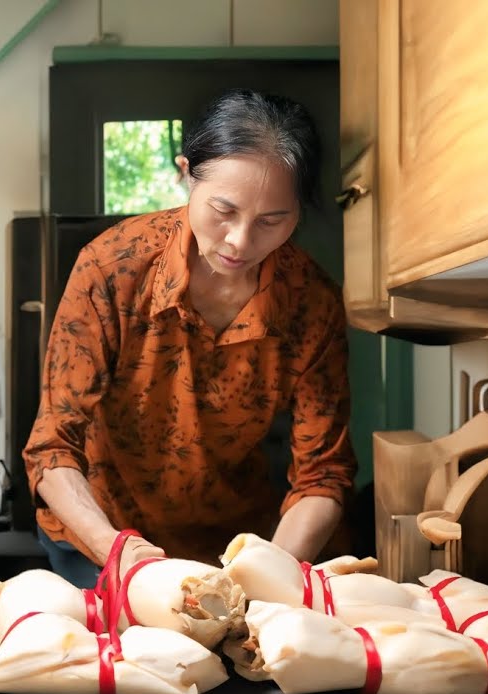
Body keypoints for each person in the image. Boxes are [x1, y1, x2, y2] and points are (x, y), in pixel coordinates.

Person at [24, 88, 356, 588]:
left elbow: (322, 475)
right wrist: (118, 551)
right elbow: (52, 447)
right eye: (223, 210)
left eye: (272, 220)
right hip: (100, 533)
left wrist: (266, 576)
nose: (241, 241)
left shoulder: (311, 301)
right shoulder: (112, 268)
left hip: (232, 547)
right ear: (185, 174)